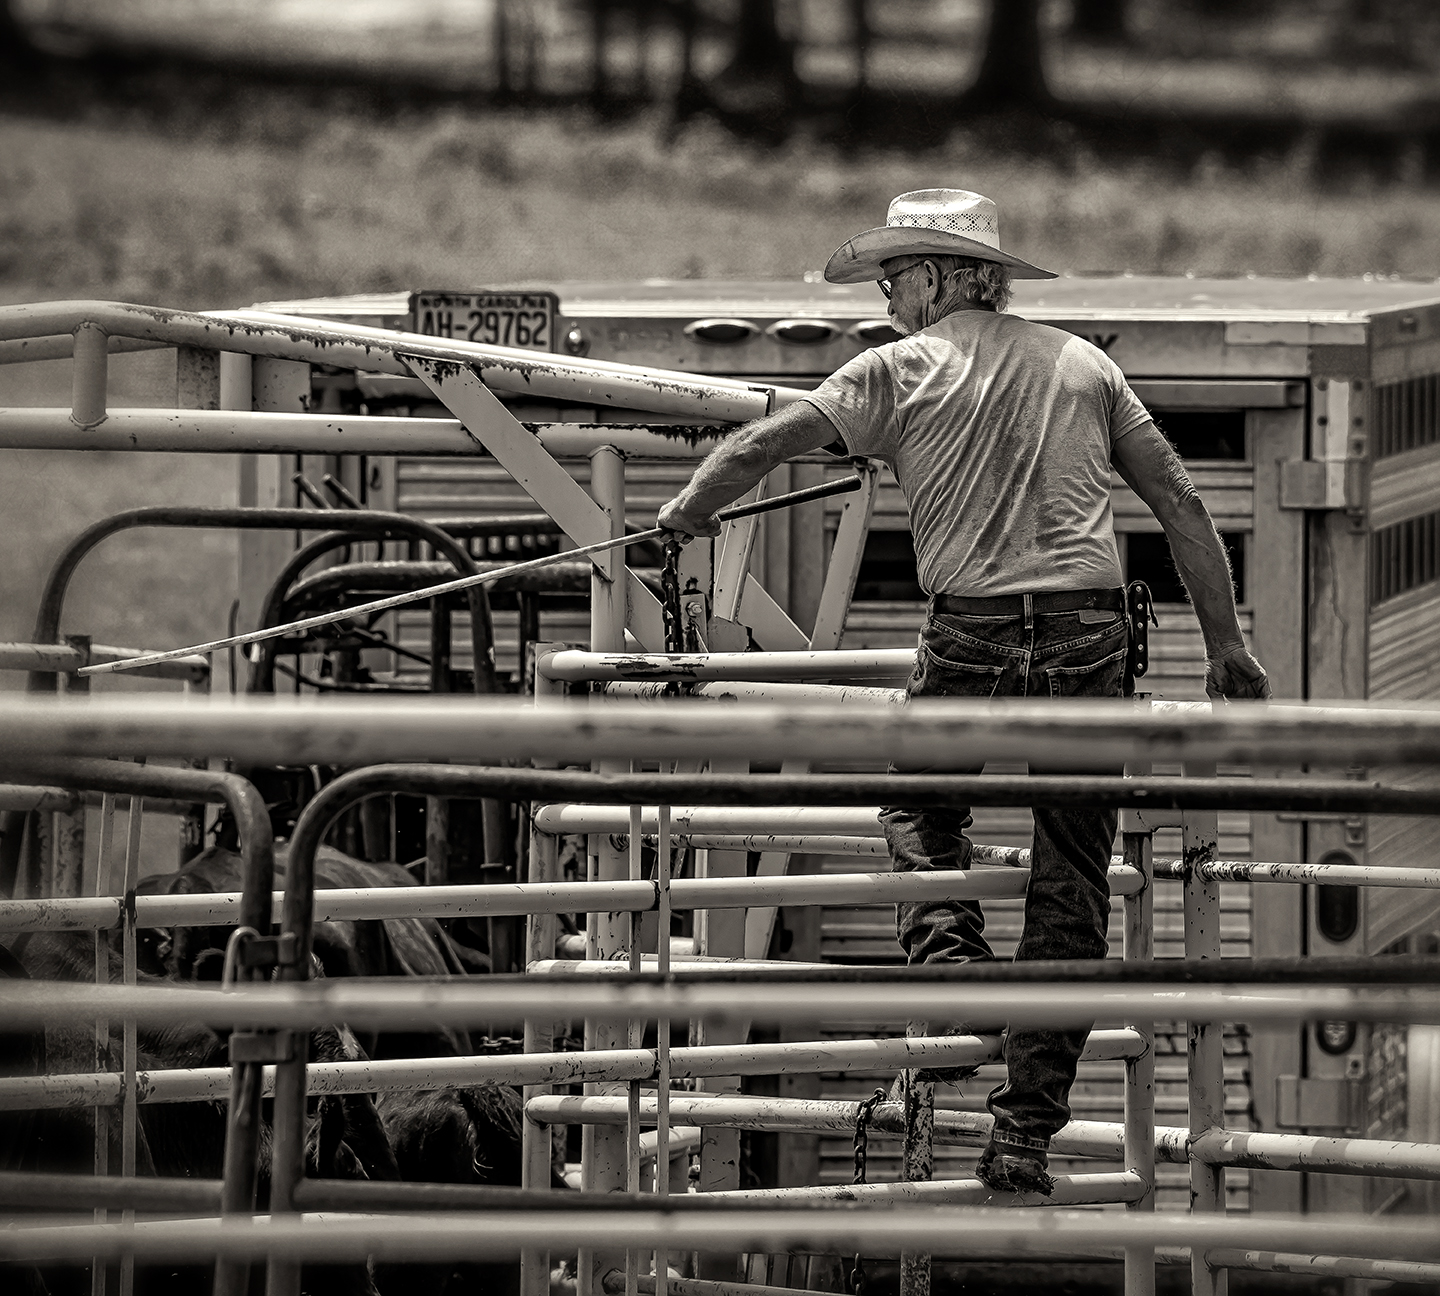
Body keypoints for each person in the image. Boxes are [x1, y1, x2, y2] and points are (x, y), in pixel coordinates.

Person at [656, 188, 1269, 1194]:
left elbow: (765, 443)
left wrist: (682, 515)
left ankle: (956, 979)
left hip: (971, 637)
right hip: (1087, 639)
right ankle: (1024, 1133)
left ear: (946, 276)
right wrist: (1226, 651)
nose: (888, 297)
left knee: (916, 804)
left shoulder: (895, 372)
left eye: (898, 277)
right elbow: (1183, 501)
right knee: (1071, 880)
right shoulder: (1083, 363)